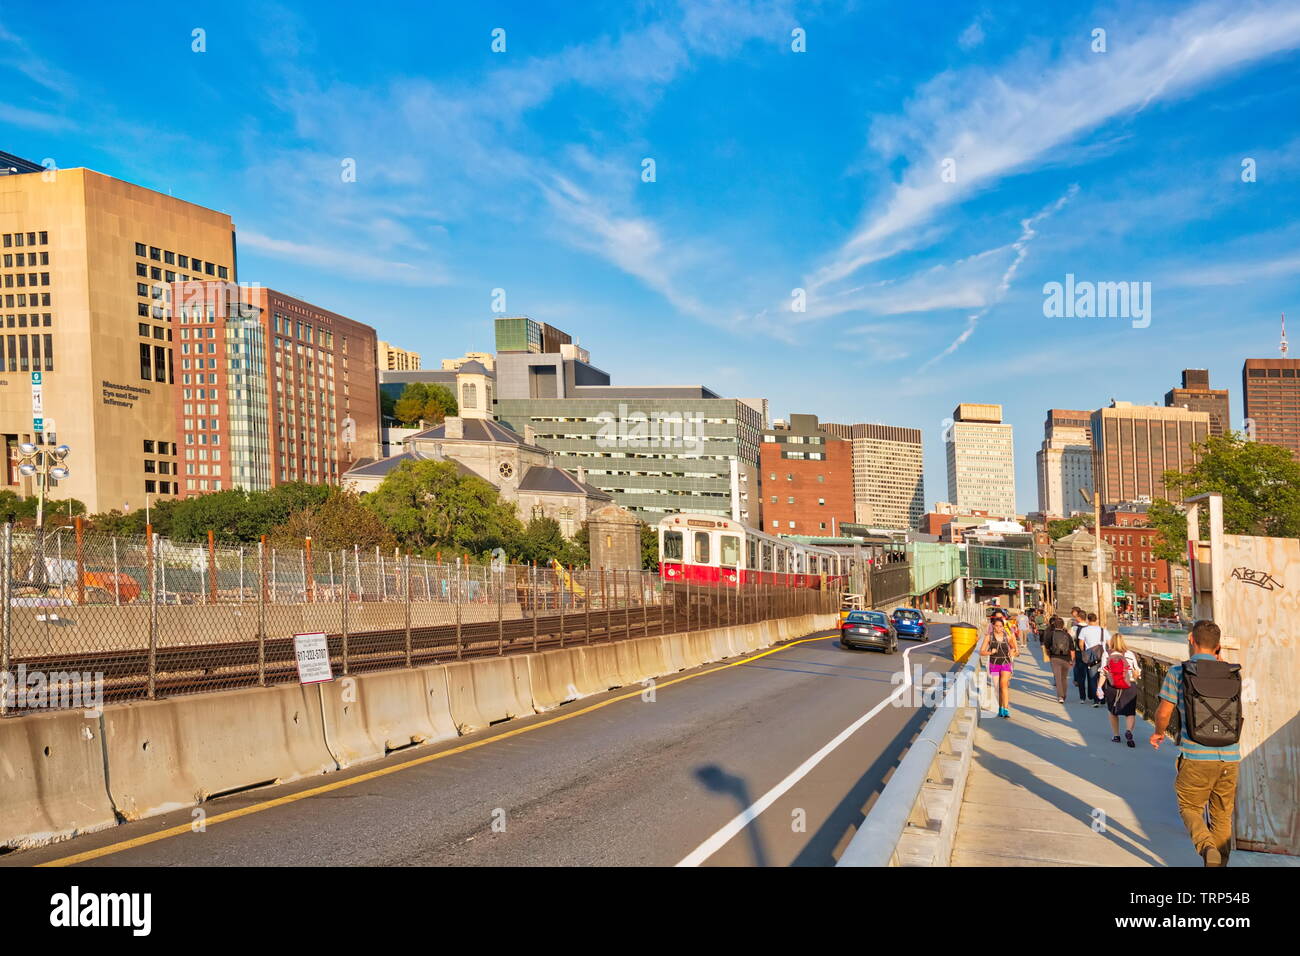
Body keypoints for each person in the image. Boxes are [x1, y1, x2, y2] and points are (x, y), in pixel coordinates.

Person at [1150, 620, 1242, 867]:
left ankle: (1206, 846)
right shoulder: (1233, 673)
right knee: (1222, 817)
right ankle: (1218, 864)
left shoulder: (1178, 673)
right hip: (1230, 757)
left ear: (1190, 639)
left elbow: (1163, 713)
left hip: (1196, 755)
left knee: (1190, 806)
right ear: (1218, 646)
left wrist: (1159, 732)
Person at [1097, 632, 1141, 746]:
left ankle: (1116, 735)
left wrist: (1099, 688)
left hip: (1113, 686)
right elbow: (1137, 671)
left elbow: (1103, 672)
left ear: (1111, 642)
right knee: (1130, 712)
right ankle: (1129, 731)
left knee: (1112, 711)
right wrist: (1134, 676)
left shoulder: (1107, 654)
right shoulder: (1130, 654)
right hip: (1129, 685)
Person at [979, 615, 1019, 718]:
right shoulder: (989, 637)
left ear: (1003, 626)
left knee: (1003, 685)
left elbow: (1015, 650)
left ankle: (1006, 709)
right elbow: (981, 652)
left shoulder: (1008, 636)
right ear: (993, 626)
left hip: (1006, 662)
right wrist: (990, 652)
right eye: (996, 626)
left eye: (1000, 626)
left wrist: (1012, 651)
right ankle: (1000, 708)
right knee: (997, 688)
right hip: (994, 663)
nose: (999, 628)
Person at [1076, 612, 1108, 706]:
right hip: (1103, 657)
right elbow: (1110, 643)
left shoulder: (1084, 630)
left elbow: (1081, 643)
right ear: (1096, 619)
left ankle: (1096, 700)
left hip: (1091, 657)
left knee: (1093, 679)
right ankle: (1103, 698)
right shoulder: (1103, 630)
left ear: (1088, 620)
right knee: (1103, 677)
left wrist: (1084, 652)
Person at [1043, 615, 1075, 702]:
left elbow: (1046, 646)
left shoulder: (1050, 634)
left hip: (1055, 657)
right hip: (1066, 658)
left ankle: (1060, 696)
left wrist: (1048, 654)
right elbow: (1072, 649)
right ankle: (1064, 695)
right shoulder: (1067, 635)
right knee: (1064, 678)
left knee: (1057, 677)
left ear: (1054, 625)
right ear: (1063, 625)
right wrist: (1072, 660)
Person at [1068, 607, 1089, 701]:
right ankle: (1093, 696)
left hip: (1079, 652)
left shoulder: (1074, 628)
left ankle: (1082, 697)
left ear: (1079, 618)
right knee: (1091, 675)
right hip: (1090, 653)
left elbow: (1070, 638)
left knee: (1081, 674)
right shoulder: (1091, 628)